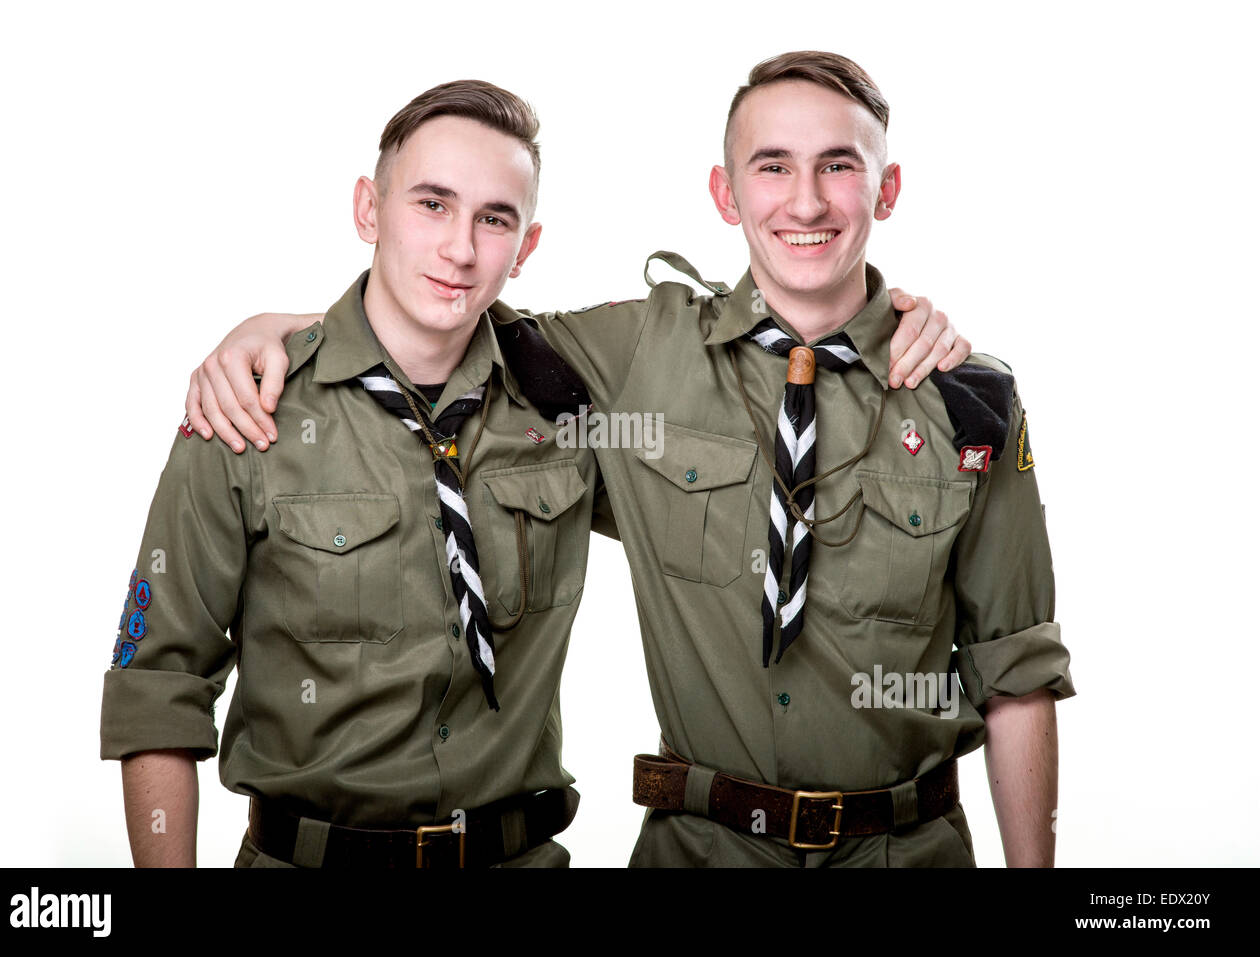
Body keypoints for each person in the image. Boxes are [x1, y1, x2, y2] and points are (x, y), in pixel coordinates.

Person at [189, 55, 1047, 869]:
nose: (808, 201)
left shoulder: (967, 398)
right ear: (726, 191)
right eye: (773, 166)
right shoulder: (629, 355)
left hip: (909, 844)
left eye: (840, 166)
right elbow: (444, 313)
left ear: (887, 188)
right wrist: (276, 331)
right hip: (701, 849)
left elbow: (1016, 675)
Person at [101, 80, 608, 868]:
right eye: (432, 204)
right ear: (368, 209)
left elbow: (734, 390)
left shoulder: (570, 406)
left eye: (494, 218)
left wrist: (874, 308)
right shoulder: (246, 410)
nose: (461, 248)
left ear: (527, 245)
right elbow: (159, 688)